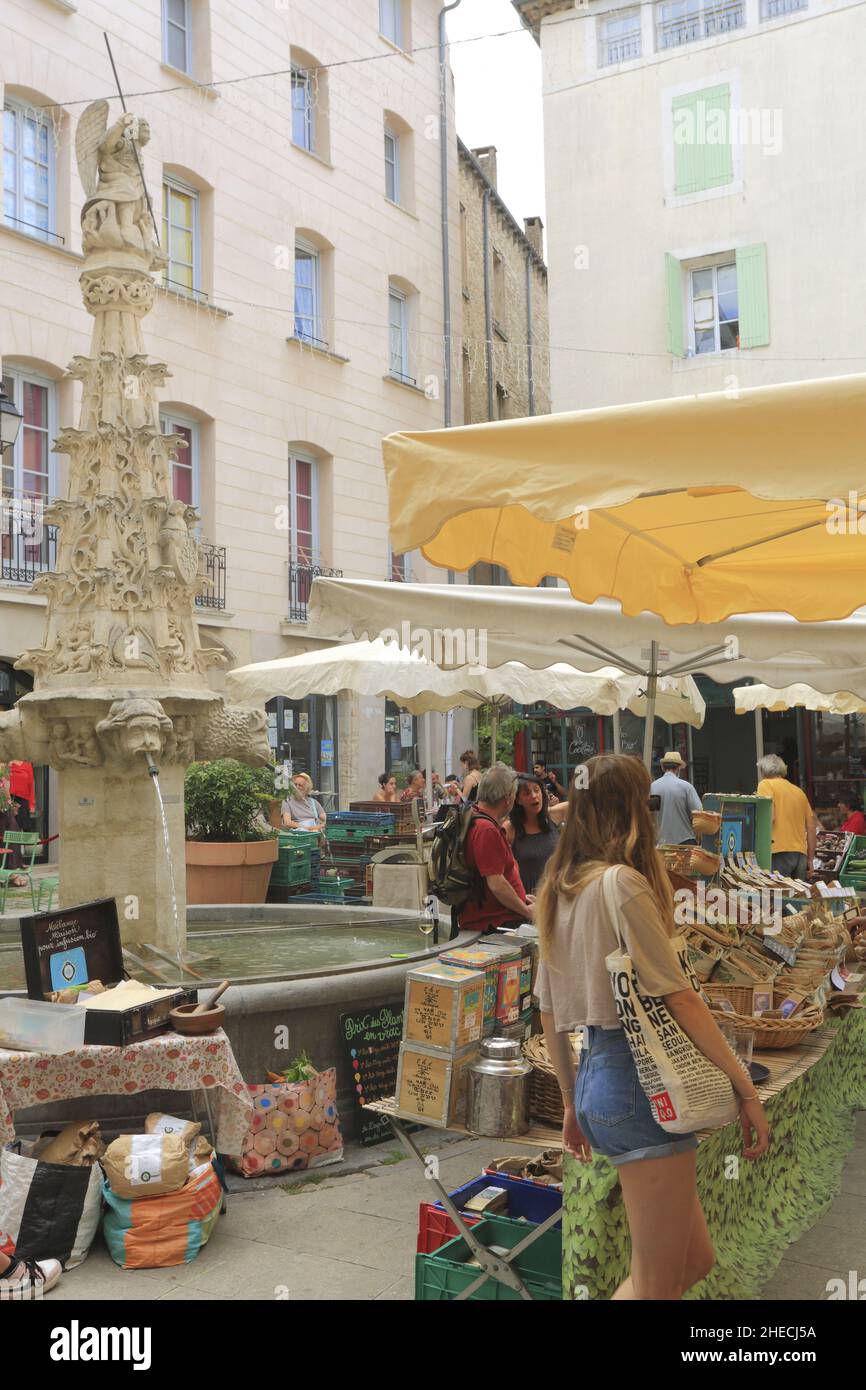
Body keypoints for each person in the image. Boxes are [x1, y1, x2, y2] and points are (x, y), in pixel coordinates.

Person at [536, 753, 768, 1301]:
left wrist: (572, 1103)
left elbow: (547, 1011)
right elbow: (682, 999)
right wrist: (744, 1085)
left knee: (693, 1261)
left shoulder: (556, 888)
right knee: (658, 1285)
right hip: (642, 1084)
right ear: (630, 807)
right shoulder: (622, 884)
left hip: (600, 1076)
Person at [458, 764, 534, 934]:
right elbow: (496, 884)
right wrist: (525, 909)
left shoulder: (475, 817)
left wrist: (521, 898)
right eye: (514, 795)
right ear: (507, 798)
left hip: (490, 919)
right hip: (495, 924)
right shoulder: (487, 830)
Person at [756, 754, 817, 878]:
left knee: (779, 896)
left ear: (763, 771)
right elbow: (811, 827)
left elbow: (770, 817)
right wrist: (810, 859)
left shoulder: (765, 785)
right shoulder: (798, 791)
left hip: (778, 851)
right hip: (800, 855)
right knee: (798, 896)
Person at [505, 775, 566, 894]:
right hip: (527, 899)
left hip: (555, 894)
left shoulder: (554, 816)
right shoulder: (510, 828)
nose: (534, 796)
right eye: (527, 793)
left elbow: (581, 804)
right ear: (518, 800)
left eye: (537, 790)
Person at [651, 750, 702, 846]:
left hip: (660, 844)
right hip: (685, 841)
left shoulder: (652, 787)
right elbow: (699, 815)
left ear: (662, 767)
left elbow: (649, 816)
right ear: (678, 768)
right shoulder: (686, 787)